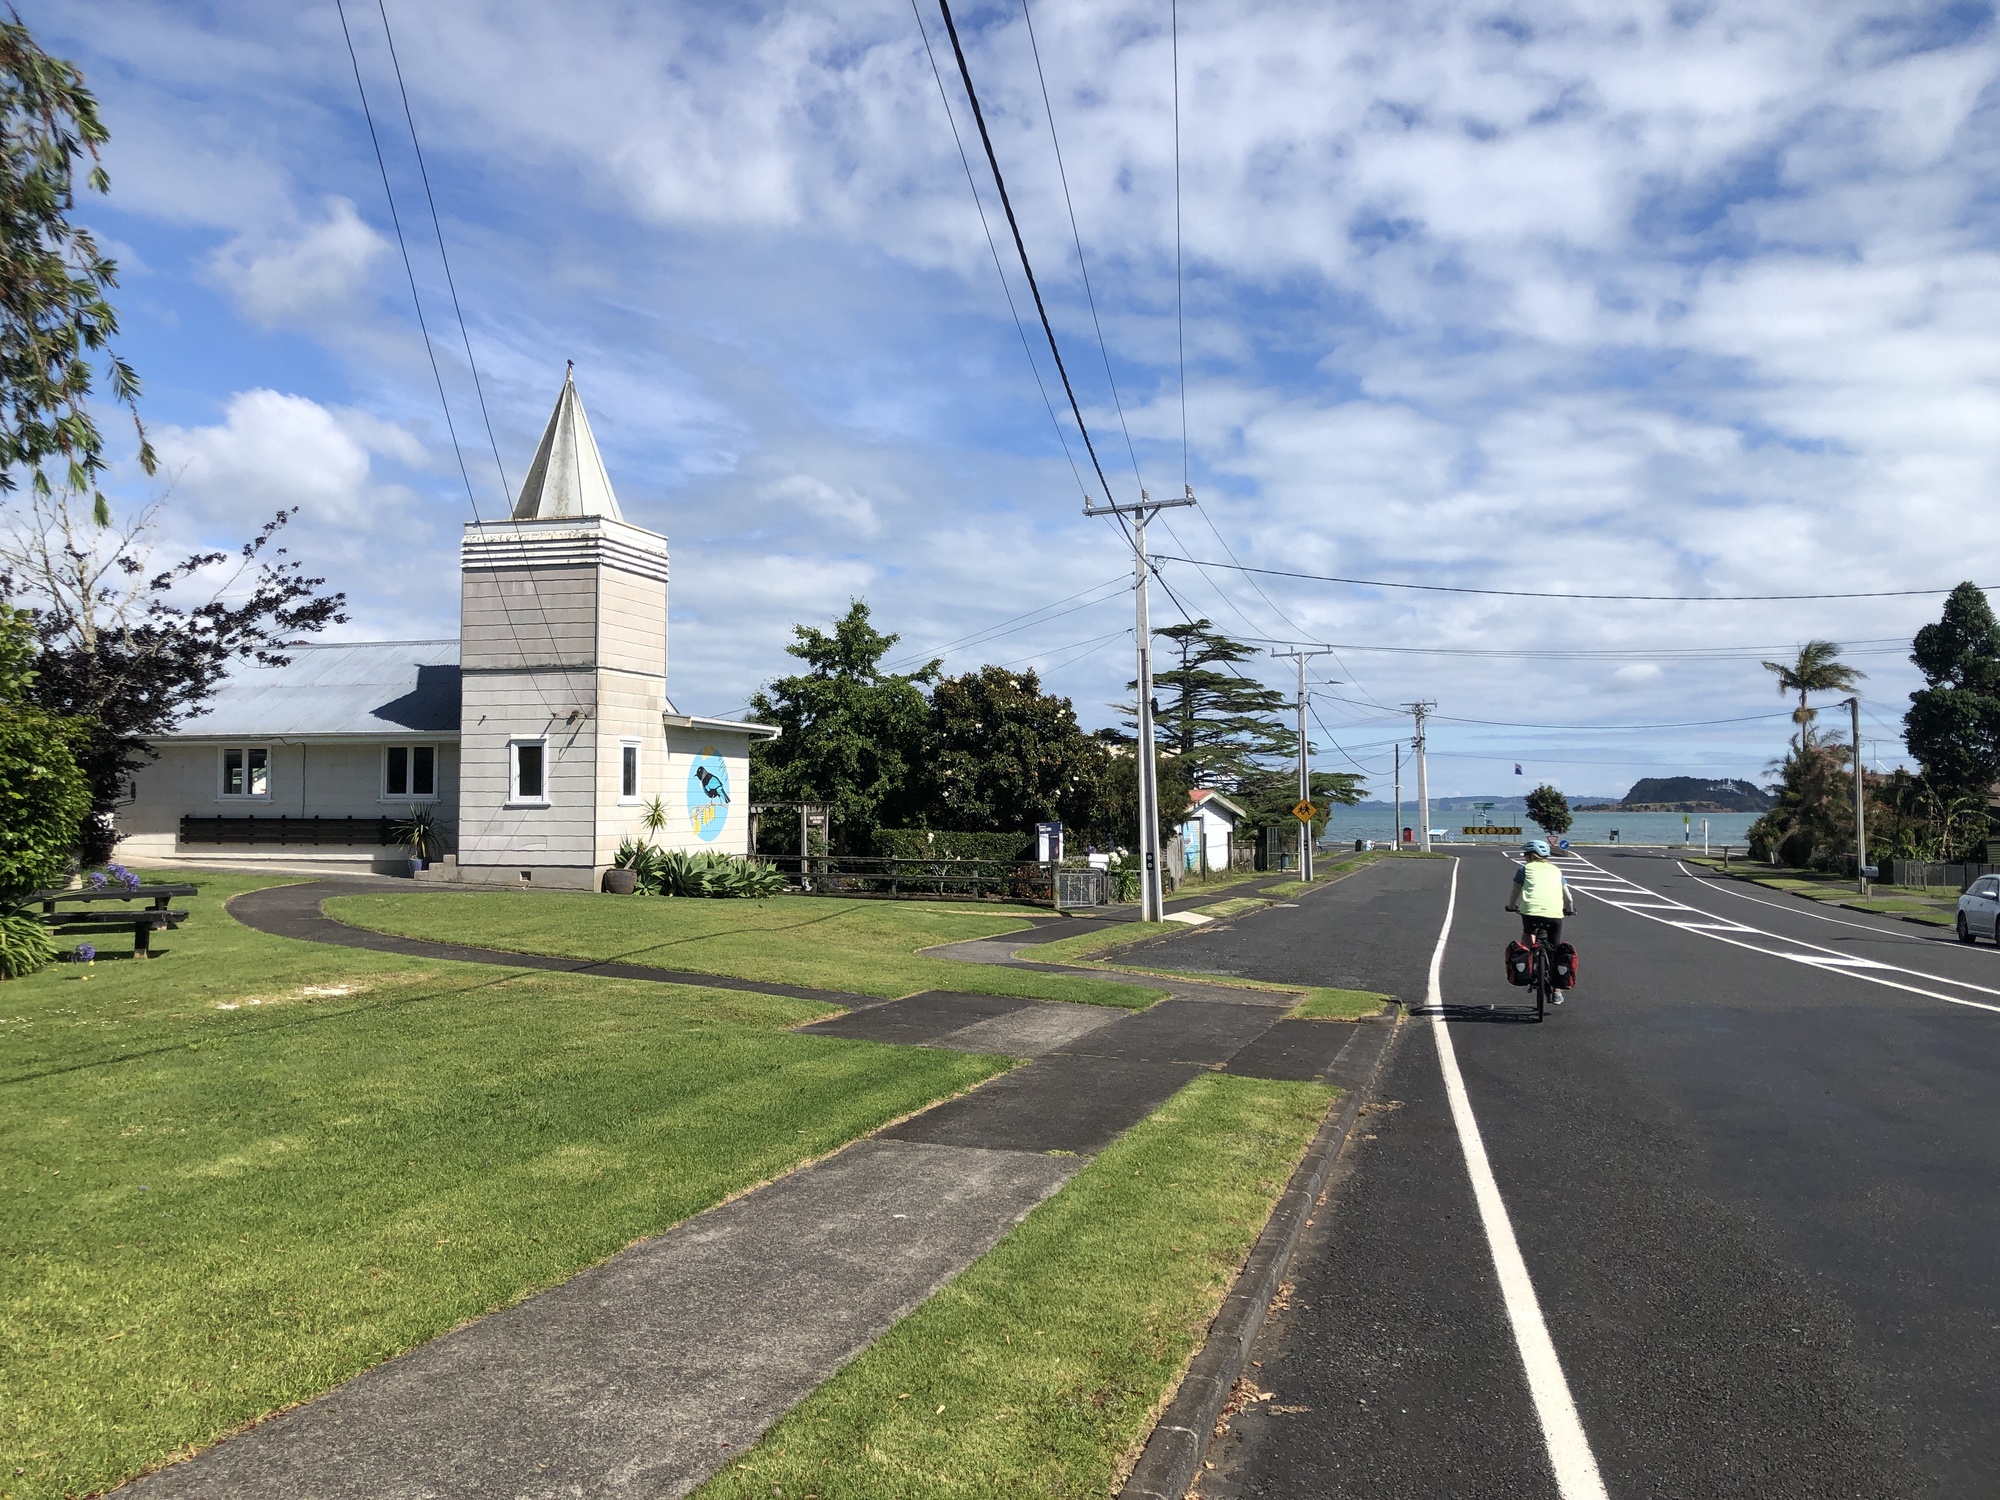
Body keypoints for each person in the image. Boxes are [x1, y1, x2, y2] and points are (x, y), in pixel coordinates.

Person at [1505, 838, 1576, 972]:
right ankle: (1557, 990)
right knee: (1555, 950)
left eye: (1525, 854)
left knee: (1528, 933)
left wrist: (1511, 906)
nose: (1524, 857)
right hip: (1554, 914)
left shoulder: (1524, 870)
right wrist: (1570, 910)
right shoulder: (1556, 871)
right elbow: (1568, 897)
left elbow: (1515, 892)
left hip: (1530, 912)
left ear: (1531, 855)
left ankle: (1528, 966)